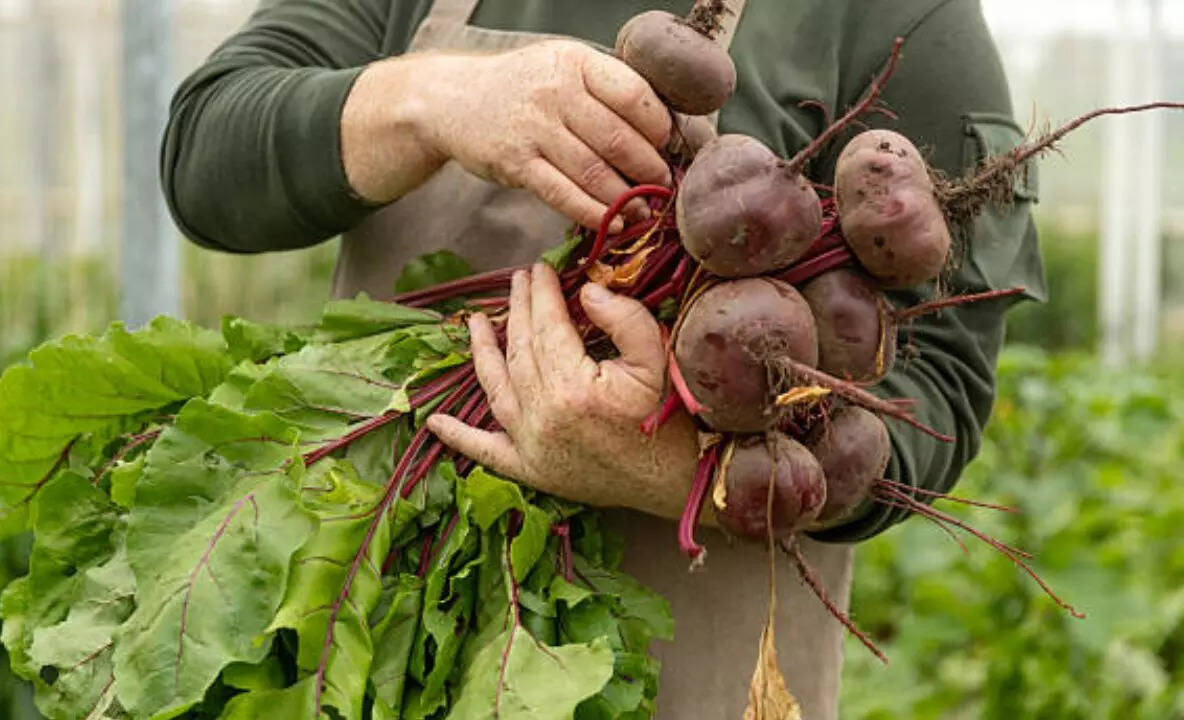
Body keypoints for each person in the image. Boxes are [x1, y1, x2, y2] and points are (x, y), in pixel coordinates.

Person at [161, 0, 1044, 716]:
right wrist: (429, 98)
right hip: (371, 609)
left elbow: (943, 397)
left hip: (685, 659)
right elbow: (205, 153)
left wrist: (685, 468)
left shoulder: (907, 16)